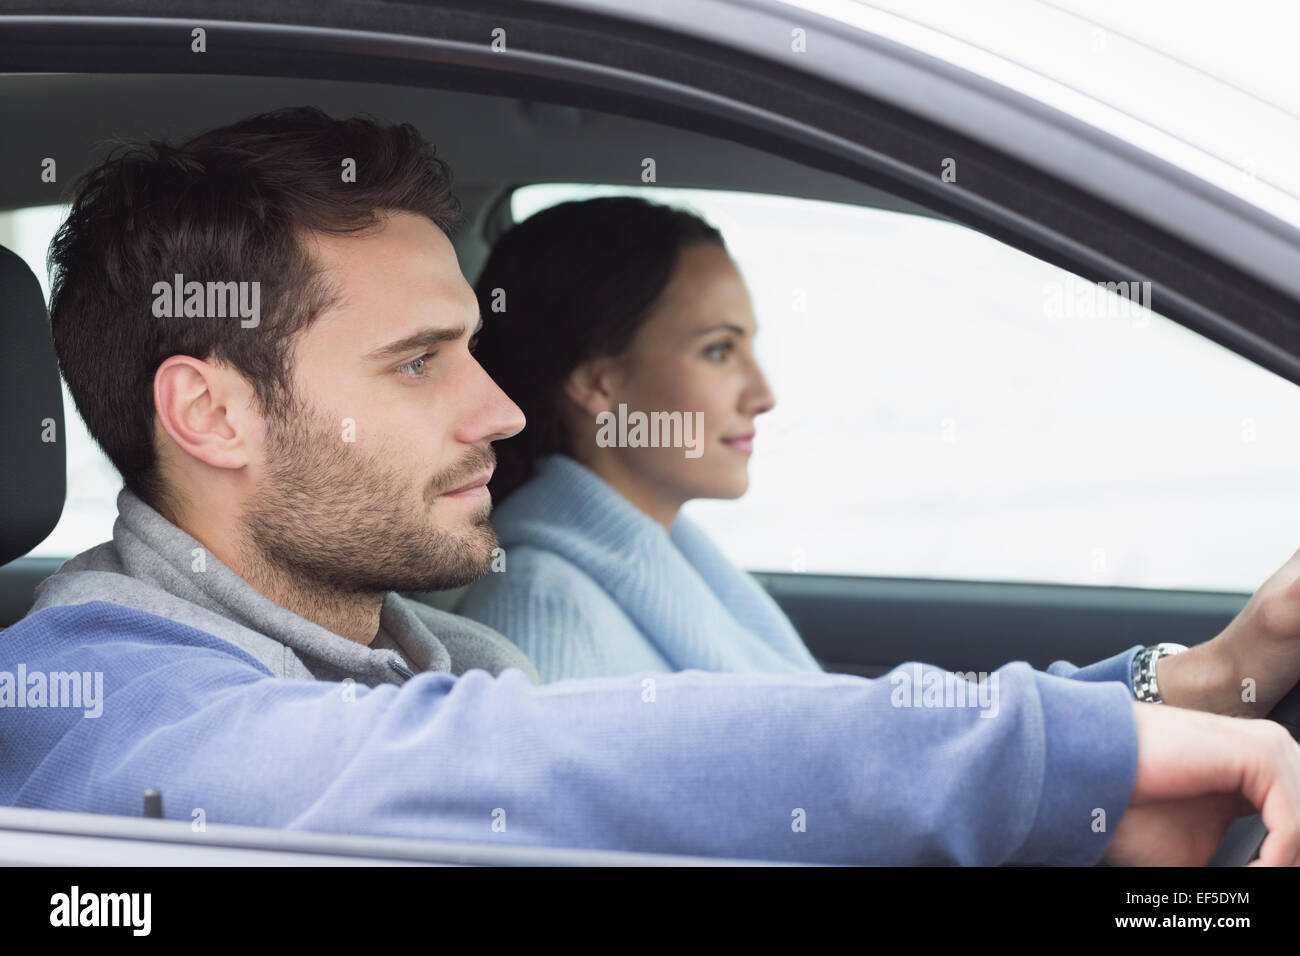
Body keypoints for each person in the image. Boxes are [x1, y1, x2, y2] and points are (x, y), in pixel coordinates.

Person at [4, 106, 1300, 866]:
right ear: (212, 414)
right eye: (418, 364)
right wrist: (1062, 753)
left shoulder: (435, 656)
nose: (501, 410)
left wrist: (1138, 739)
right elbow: (548, 756)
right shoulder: (95, 702)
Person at [455, 197, 822, 681]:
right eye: (718, 350)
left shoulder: (667, 563)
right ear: (597, 383)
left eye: (749, 345)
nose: (763, 395)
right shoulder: (543, 613)